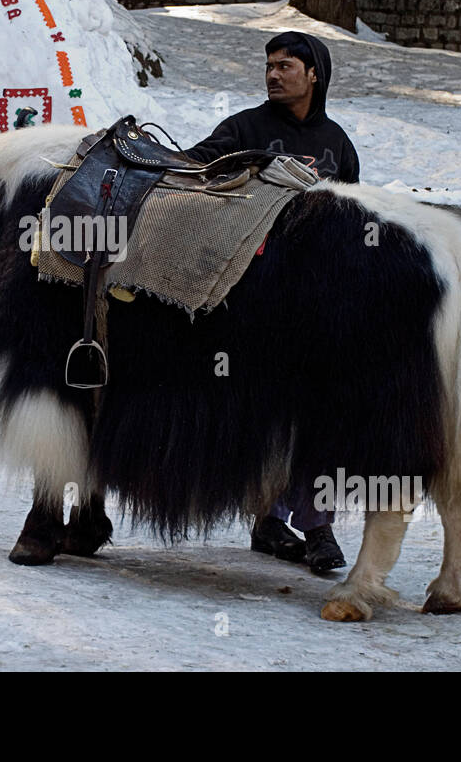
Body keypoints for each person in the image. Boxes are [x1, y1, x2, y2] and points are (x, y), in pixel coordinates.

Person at [184, 30, 358, 574]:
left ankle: (302, 520)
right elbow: (193, 170)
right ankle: (283, 519)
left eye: (286, 66)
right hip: (248, 301)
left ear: (314, 75)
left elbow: (355, 222)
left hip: (315, 304)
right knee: (268, 411)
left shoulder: (338, 144)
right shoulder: (242, 129)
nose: (274, 74)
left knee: (315, 413)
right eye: (269, 65)